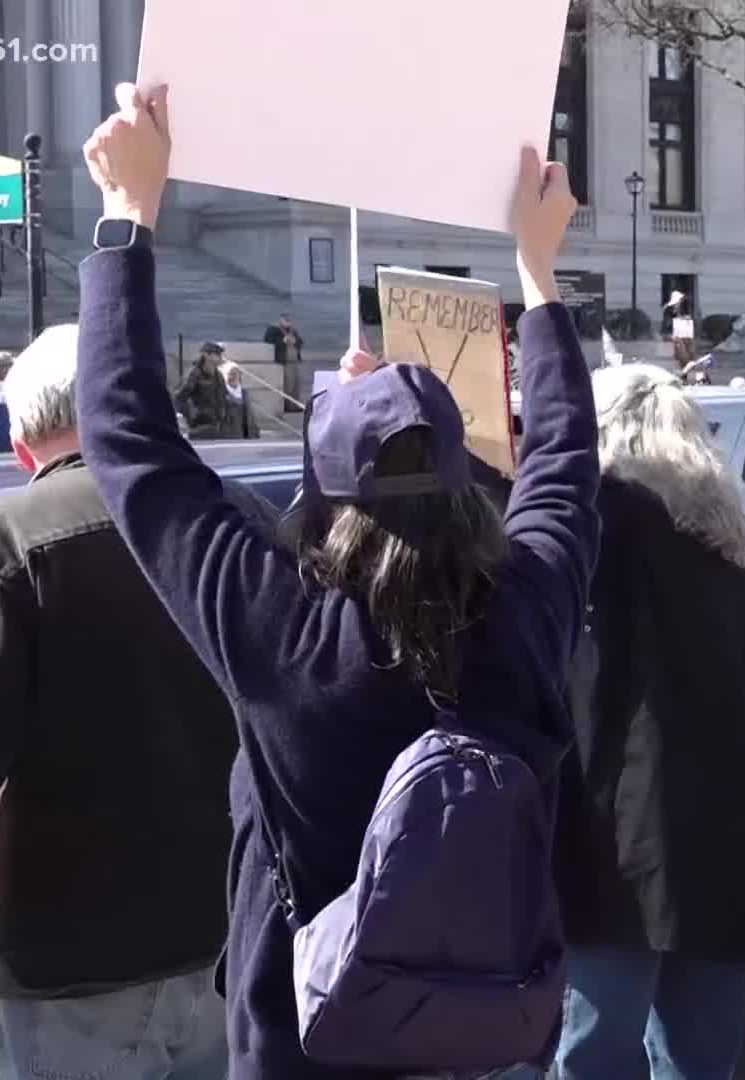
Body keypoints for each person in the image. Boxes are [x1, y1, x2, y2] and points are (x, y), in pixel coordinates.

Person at [75, 87, 597, 1078]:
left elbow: (127, 440)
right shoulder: (528, 613)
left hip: (302, 1036)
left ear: (322, 500)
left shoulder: (285, 637)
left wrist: (129, 212)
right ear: (464, 476)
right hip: (485, 1032)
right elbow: (567, 464)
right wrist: (539, 274)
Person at [0, 324, 263, 1079]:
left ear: (23, 445)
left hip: (84, 957)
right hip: (235, 931)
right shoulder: (242, 514)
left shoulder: (11, 536)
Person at [553, 362, 745, 1080]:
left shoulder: (604, 527)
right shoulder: (733, 556)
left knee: (592, 1058)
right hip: (726, 849)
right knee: (697, 1062)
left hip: (620, 850)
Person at [173, 341, 231, 439]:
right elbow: (179, 397)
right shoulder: (194, 374)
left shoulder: (218, 376)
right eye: (217, 354)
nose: (220, 357)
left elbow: (224, 397)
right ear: (207, 355)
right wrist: (187, 418)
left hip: (217, 427)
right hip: (198, 426)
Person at [263, 311, 307, 412]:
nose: (289, 322)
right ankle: (287, 406)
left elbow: (300, 342)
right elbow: (268, 341)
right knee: (288, 385)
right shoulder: (273, 329)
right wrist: (283, 340)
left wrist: (295, 341)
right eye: (286, 320)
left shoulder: (292, 330)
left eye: (290, 320)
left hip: (294, 361)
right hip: (284, 361)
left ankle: (295, 405)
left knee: (296, 384)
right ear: (281, 320)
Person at [217, 361, 261, 440]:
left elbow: (250, 416)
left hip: (245, 437)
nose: (233, 376)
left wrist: (255, 433)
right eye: (230, 373)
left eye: (236, 373)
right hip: (226, 437)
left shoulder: (244, 393)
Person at [666, 290, 695, 370]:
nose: (676, 305)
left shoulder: (686, 306)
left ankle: (686, 367)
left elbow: (688, 317)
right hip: (680, 331)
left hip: (684, 331)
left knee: (685, 352)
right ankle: (684, 367)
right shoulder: (673, 310)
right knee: (680, 353)